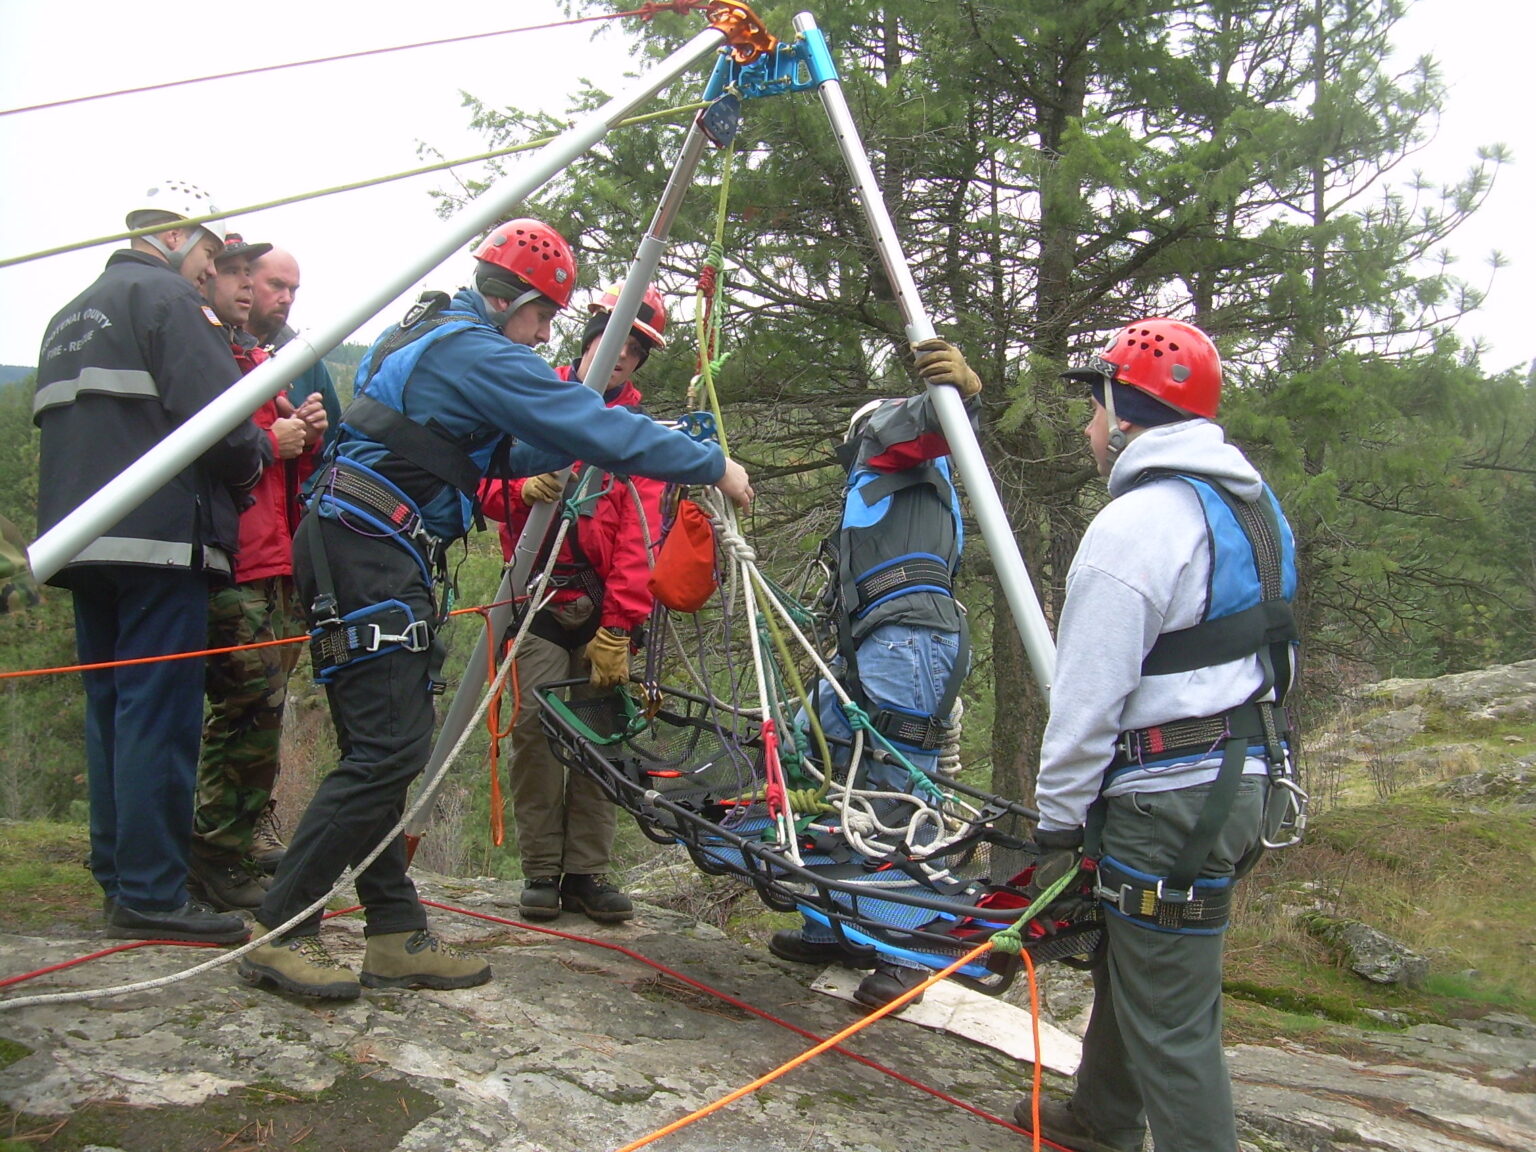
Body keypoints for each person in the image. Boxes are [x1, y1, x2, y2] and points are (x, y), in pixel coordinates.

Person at [238, 219, 753, 1002]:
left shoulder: (431, 336)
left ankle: (394, 930)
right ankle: (283, 927)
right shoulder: (472, 350)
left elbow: (513, 446)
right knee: (387, 750)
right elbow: (584, 424)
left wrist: (610, 437)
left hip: (361, 541)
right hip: (367, 547)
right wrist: (709, 462)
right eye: (542, 316)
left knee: (385, 744)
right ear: (508, 299)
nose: (545, 335)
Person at [1016, 318, 1299, 1152]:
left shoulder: (1138, 525)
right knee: (1138, 954)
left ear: (1125, 412)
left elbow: (1086, 699)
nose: (1088, 425)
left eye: (1094, 406)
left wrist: (1058, 825)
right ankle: (1101, 1118)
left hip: (1170, 795)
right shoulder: (1255, 512)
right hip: (1241, 779)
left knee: (1175, 1019)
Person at [32, 181, 268, 944]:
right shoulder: (170, 302)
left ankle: (119, 877)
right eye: (210, 255)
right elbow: (224, 423)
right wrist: (259, 458)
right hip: (163, 541)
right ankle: (153, 893)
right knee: (159, 717)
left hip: (79, 542)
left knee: (110, 711)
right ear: (175, 237)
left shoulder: (67, 317)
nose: (211, 271)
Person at [768, 337, 981, 1011]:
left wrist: (959, 393)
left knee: (894, 789)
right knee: (813, 753)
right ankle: (837, 924)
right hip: (880, 643)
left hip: (905, 643)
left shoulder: (886, 440)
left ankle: (910, 950)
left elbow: (932, 418)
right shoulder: (908, 493)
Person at [478, 283, 670, 925]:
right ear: (591, 338)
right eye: (616, 341)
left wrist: (618, 627)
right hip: (537, 598)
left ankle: (586, 871)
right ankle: (541, 869)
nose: (622, 356)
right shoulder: (534, 399)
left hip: (601, 608)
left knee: (597, 736)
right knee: (534, 732)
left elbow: (641, 537)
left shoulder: (635, 435)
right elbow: (478, 478)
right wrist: (515, 490)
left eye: (635, 350)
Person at [190, 235, 328, 911]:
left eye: (263, 278)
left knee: (261, 710)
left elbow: (290, 460)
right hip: (235, 558)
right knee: (246, 706)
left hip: (275, 554)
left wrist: (307, 435)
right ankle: (214, 852)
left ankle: (236, 839)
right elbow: (216, 449)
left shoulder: (262, 359)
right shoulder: (209, 355)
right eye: (242, 274)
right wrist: (274, 441)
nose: (256, 289)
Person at [247, 247, 342, 452]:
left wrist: (308, 439)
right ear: (246, 281)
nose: (287, 298)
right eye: (276, 285)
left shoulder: (303, 360)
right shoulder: (216, 350)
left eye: (293, 290)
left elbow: (333, 446)